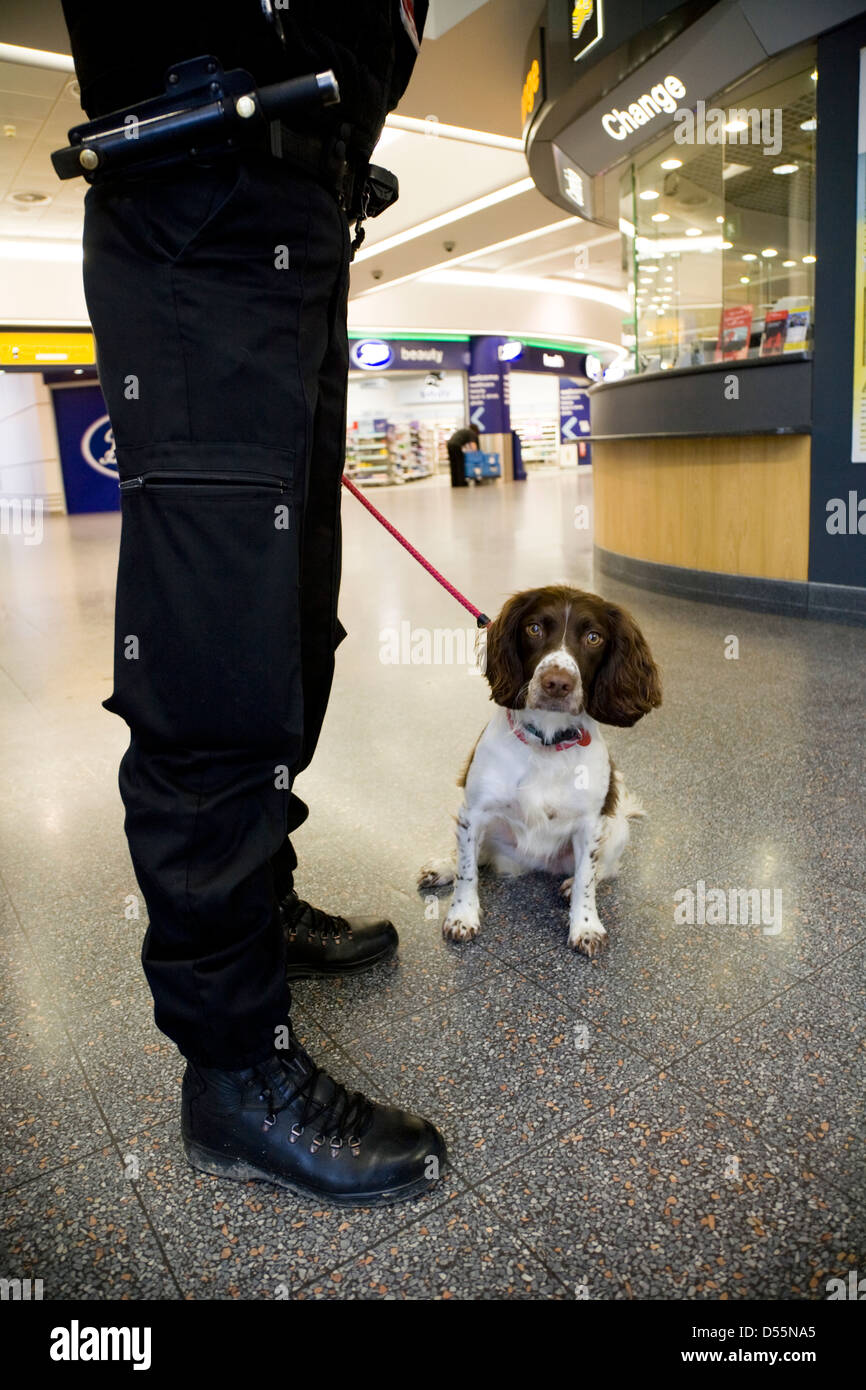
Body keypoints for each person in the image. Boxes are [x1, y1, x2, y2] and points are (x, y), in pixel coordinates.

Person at [59, 0, 446, 1206]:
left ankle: (257, 900)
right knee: (217, 645)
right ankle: (233, 1067)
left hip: (297, 210)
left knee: (291, 618)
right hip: (197, 189)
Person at [447, 422, 480, 487]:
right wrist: (476, 454)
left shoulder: (465, 431)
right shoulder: (472, 433)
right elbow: (473, 445)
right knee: (460, 465)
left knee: (453, 465)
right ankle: (461, 483)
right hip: (456, 446)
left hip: (449, 445)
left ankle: (455, 483)